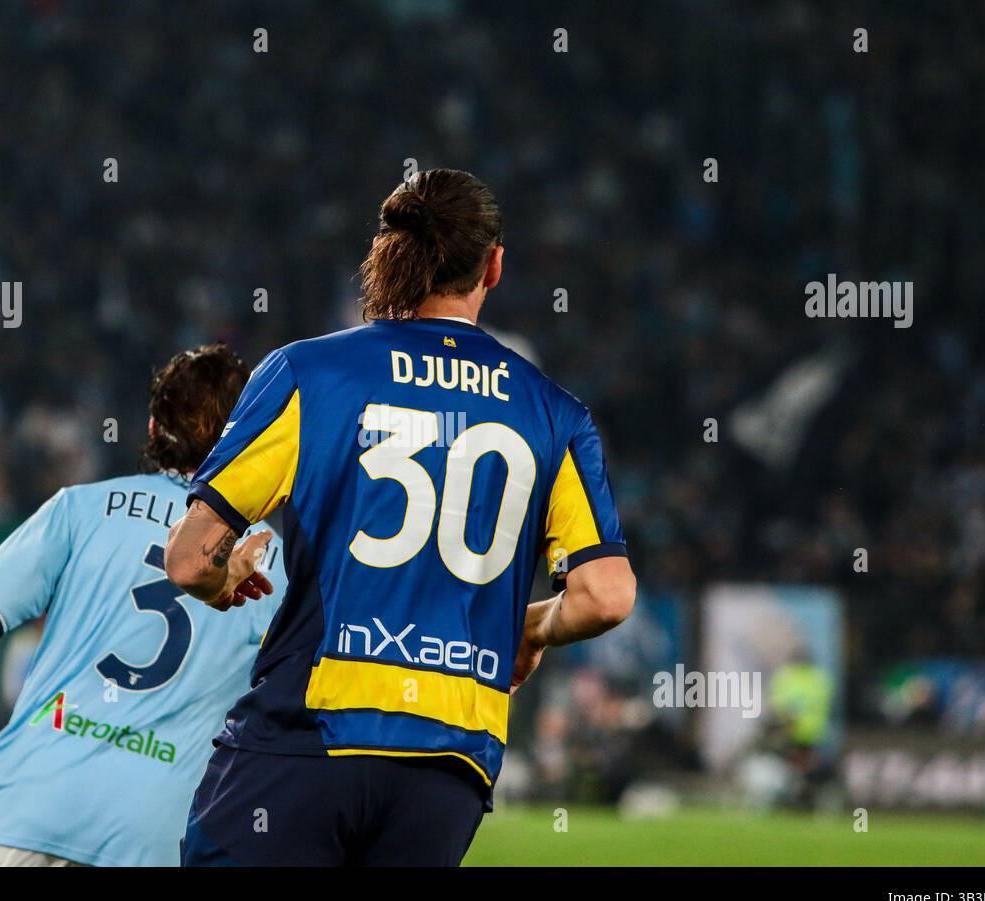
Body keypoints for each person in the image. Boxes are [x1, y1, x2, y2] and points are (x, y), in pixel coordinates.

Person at [166, 169, 636, 866]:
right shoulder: (555, 414)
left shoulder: (309, 373)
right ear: (495, 266)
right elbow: (607, 596)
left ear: (389, 255)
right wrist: (529, 626)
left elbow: (187, 559)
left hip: (314, 729)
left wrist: (221, 577)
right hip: (451, 759)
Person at [0, 345, 285, 866]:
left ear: (155, 429)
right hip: (151, 833)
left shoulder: (80, 508)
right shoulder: (271, 560)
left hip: (19, 810)